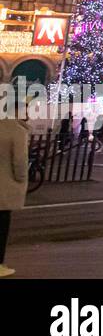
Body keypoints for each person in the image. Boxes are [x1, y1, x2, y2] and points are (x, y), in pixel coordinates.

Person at [0, 113, 31, 278]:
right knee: (2, 223)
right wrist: (21, 179)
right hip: (4, 186)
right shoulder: (16, 129)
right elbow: (20, 161)